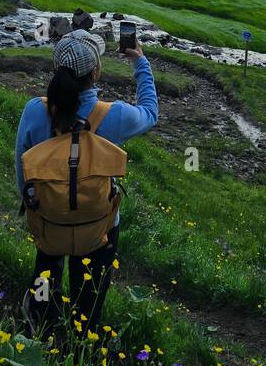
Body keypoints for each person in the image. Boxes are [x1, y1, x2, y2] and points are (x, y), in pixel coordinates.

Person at [14, 27, 158, 339]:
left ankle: (38, 323)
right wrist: (140, 62)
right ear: (95, 74)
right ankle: (82, 339)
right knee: (89, 295)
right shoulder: (114, 116)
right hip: (98, 227)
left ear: (57, 69)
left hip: (48, 219)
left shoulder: (35, 111)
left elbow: (21, 169)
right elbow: (150, 112)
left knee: (46, 275)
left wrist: (35, 206)